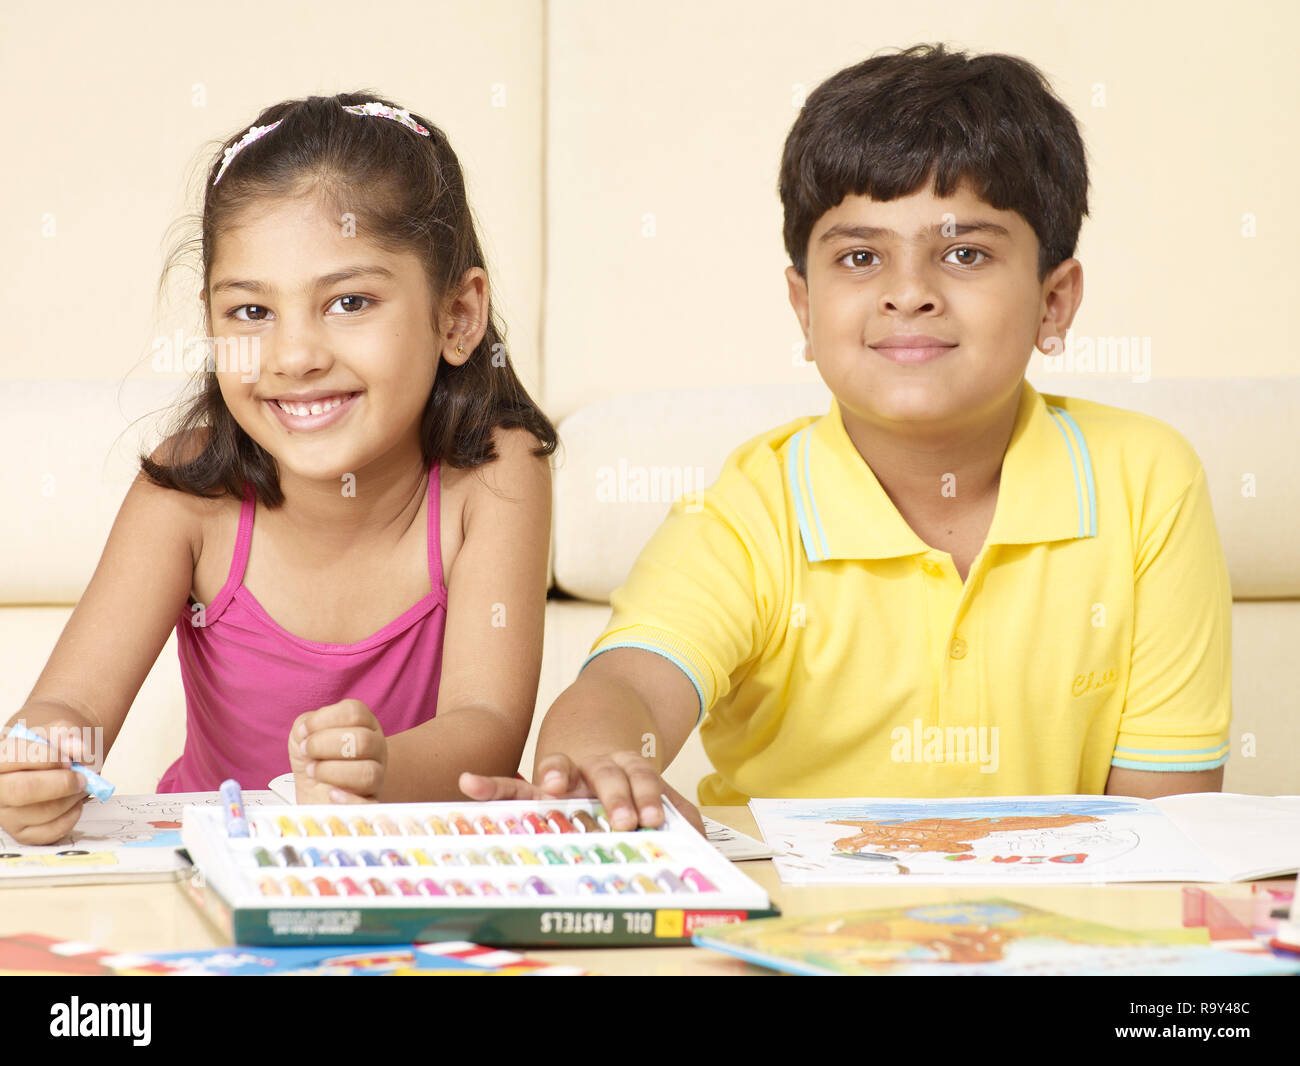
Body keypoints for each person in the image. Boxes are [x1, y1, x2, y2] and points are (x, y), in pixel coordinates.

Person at [462, 44, 1232, 830]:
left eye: (964, 254)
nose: (908, 294)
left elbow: (1164, 831)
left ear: (1055, 301)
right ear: (804, 306)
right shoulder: (746, 514)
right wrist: (604, 764)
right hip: (793, 927)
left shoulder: (1145, 481)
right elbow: (624, 689)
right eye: (861, 257)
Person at [2, 93, 555, 844]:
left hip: (397, 869)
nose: (295, 357)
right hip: (201, 868)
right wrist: (43, 756)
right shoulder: (187, 491)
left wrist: (379, 768)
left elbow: (487, 725)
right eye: (251, 313)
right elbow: (72, 707)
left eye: (350, 301)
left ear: (458, 317)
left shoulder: (495, 473)